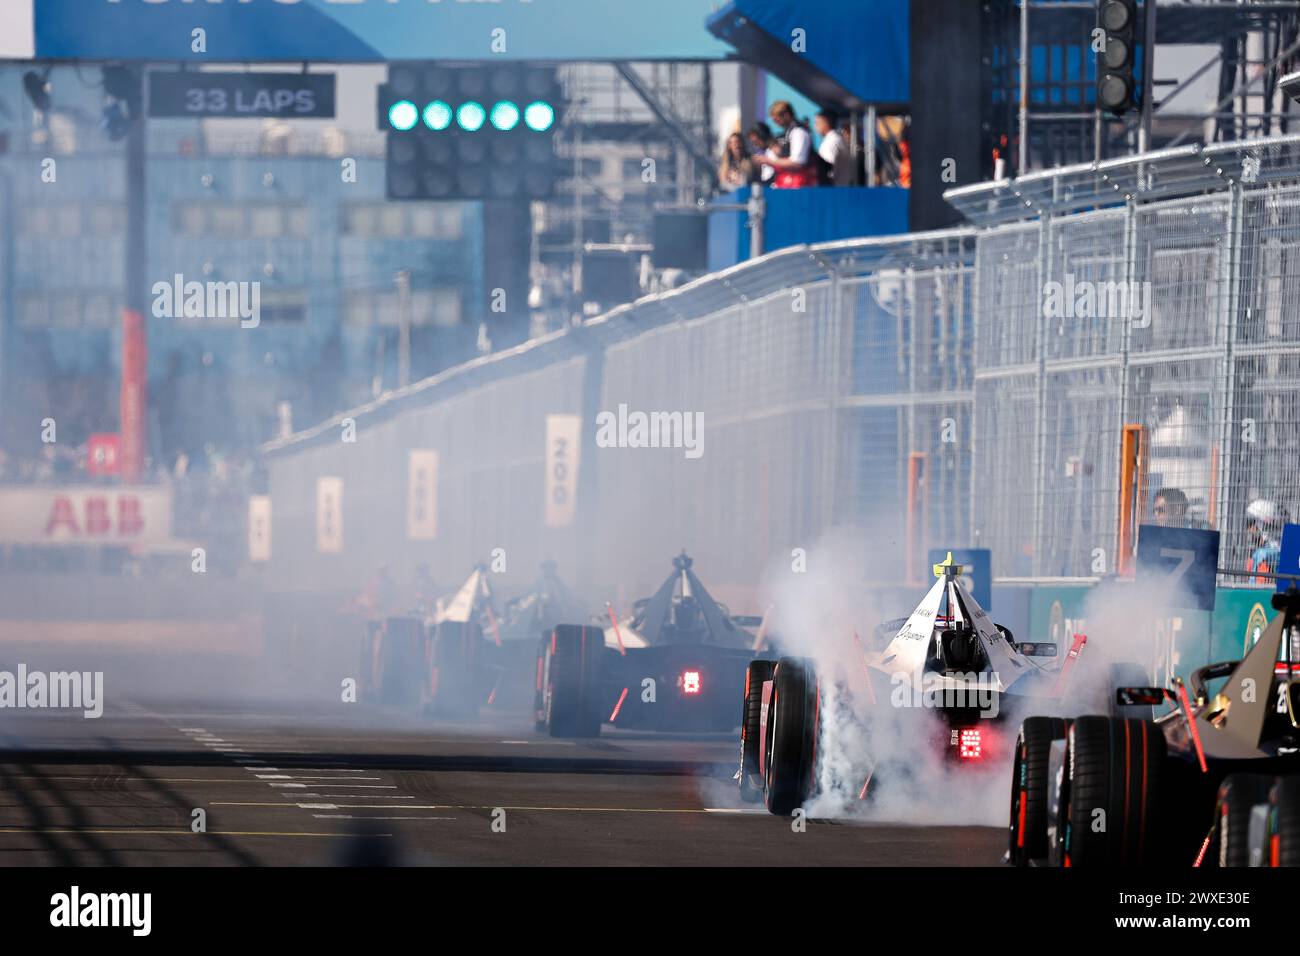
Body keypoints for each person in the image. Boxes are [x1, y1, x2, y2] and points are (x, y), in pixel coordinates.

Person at [753, 100, 818, 189]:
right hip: (789, 184)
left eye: (777, 120)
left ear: (786, 115)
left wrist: (769, 161)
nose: (776, 123)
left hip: (800, 186)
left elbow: (798, 162)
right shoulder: (789, 133)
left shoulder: (799, 132)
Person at [1246, 498, 1288, 583]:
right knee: (1255, 556)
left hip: (1281, 549)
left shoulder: (1279, 520)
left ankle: (1253, 584)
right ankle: (1252, 583)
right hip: (1272, 548)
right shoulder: (1261, 525)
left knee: (1260, 554)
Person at [814, 109, 853, 186]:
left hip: (834, 189)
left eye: (817, 123)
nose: (815, 126)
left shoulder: (830, 142)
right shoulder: (837, 139)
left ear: (825, 122)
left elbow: (827, 170)